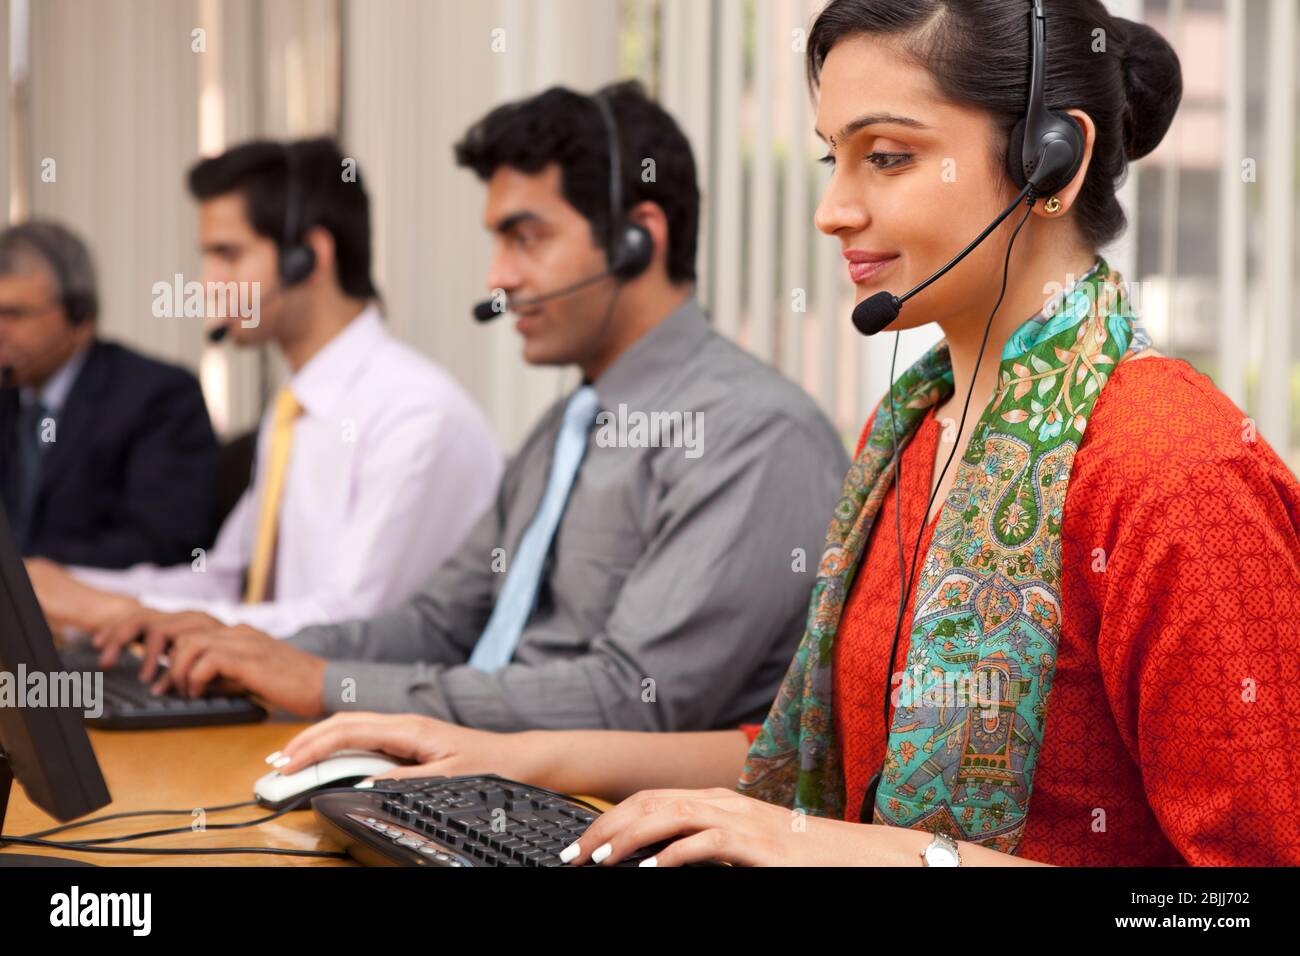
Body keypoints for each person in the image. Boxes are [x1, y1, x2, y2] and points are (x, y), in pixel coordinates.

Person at [269, 0, 1299, 866]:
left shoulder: (1173, 466)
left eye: (886, 157)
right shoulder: (913, 430)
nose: (831, 210)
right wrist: (507, 754)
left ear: (1052, 163)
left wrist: (832, 846)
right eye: (832, 159)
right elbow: (805, 759)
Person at [105, 80, 850, 734]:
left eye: (526, 239)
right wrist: (269, 653)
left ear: (637, 238)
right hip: (492, 789)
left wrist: (328, 685)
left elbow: (636, 701)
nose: (498, 278)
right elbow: (440, 622)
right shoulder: (565, 429)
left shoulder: (752, 433)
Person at [26, 138, 502, 640]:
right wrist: (66, 588)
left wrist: (115, 614)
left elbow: (349, 626)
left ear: (308, 257)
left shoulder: (414, 415)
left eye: (227, 255)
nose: (207, 283)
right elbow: (226, 584)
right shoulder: (295, 409)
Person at [0, 219, 218, 568]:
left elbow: (165, 542)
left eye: (13, 314)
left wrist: (27, 577)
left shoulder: (159, 397)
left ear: (81, 317)